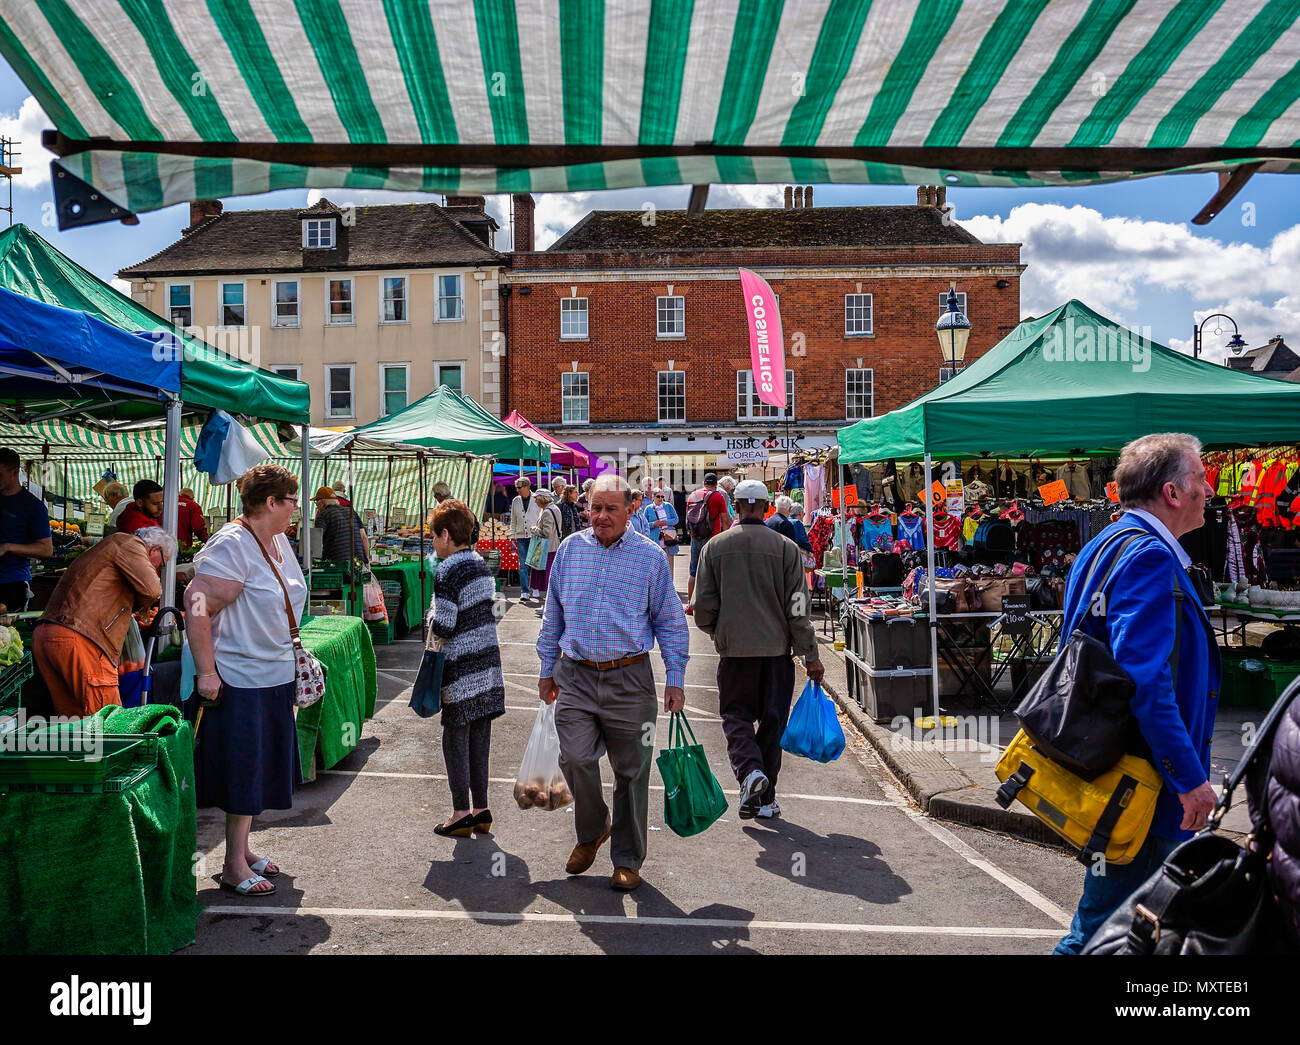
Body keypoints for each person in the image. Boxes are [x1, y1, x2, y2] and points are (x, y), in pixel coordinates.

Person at [1052, 433, 1218, 955]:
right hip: (1145, 783)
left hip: (1117, 768)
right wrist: (1189, 779)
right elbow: (1144, 678)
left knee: (1123, 927)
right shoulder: (1148, 556)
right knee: (1102, 932)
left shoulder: (1106, 543)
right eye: (1200, 478)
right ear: (1172, 492)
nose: (1209, 489)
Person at [537, 475, 689, 891]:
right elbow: (554, 614)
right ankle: (592, 830)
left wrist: (674, 678)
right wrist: (546, 668)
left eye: (611, 509)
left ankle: (626, 857)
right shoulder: (570, 550)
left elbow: (671, 622)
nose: (601, 517)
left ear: (630, 510)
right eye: (595, 507)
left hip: (630, 678)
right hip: (576, 674)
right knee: (574, 756)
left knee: (632, 771)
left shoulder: (650, 558)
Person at [185, 464, 307, 897]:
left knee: (256, 770)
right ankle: (233, 865)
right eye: (292, 501)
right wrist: (206, 672)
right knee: (243, 772)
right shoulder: (234, 543)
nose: (297, 508)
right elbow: (195, 603)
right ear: (270, 502)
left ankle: (244, 850)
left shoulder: (275, 541)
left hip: (271, 677)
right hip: (240, 678)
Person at [692, 480, 824, 820]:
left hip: (735, 652)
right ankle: (765, 798)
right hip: (777, 653)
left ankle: (751, 773)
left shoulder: (714, 547)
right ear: (766, 508)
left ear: (735, 507)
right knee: (772, 722)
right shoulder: (786, 548)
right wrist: (810, 654)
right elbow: (798, 608)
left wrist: (718, 632)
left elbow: (703, 606)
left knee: (735, 716)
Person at [33, 526, 172, 717]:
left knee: (73, 722)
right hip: (81, 640)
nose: (158, 569)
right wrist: (145, 604)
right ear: (155, 550)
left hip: (48, 634)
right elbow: (152, 589)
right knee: (107, 724)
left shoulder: (108, 548)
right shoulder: (129, 543)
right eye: (161, 564)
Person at [427, 498, 505, 837]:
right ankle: (481, 809)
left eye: (434, 536)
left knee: (455, 738)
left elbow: (444, 623)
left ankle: (460, 813)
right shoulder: (479, 564)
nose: (432, 542)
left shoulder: (447, 570)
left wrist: (428, 618)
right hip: (487, 665)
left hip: (461, 668)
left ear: (446, 534)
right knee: (480, 737)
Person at [0, 447, 53, 613]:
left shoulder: (33, 507)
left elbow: (46, 549)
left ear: (15, 472)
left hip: (11, 582)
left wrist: (8, 547)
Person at [684, 472, 729, 615]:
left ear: (704, 483)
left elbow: (688, 517)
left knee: (693, 572)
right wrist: (726, 536)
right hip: (713, 537)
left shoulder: (692, 496)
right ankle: (714, 605)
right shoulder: (718, 496)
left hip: (695, 537)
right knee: (715, 571)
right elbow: (725, 519)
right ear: (716, 484)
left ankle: (691, 605)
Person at [311, 487, 370, 564]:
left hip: (338, 564)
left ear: (321, 502)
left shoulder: (323, 515)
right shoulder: (351, 512)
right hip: (358, 561)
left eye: (316, 501)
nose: (316, 505)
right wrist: (367, 561)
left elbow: (315, 544)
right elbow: (364, 537)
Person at [527, 489, 563, 612]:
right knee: (550, 578)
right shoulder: (554, 508)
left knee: (547, 579)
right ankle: (549, 606)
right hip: (552, 547)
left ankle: (548, 606)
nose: (535, 501)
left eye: (536, 498)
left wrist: (534, 529)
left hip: (547, 549)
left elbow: (546, 533)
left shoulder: (547, 511)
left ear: (542, 498)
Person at [510, 477, 540, 598]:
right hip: (521, 536)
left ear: (527, 486)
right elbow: (513, 519)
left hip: (535, 536)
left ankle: (536, 588)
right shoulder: (515, 501)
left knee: (534, 564)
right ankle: (525, 591)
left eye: (519, 487)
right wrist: (512, 536)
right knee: (523, 565)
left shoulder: (537, 499)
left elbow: (541, 518)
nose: (517, 490)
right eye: (516, 487)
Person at [431, 480, 480, 545]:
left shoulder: (445, 508)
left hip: (456, 543)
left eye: (435, 496)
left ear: (439, 494)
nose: (436, 498)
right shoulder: (460, 504)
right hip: (466, 540)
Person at [644, 487, 679, 559]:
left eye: (662, 496)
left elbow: (676, 520)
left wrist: (666, 522)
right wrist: (653, 524)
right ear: (653, 497)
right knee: (656, 564)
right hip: (655, 539)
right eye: (658, 496)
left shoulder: (668, 506)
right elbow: (644, 525)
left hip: (669, 539)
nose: (660, 498)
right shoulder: (648, 508)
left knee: (669, 564)